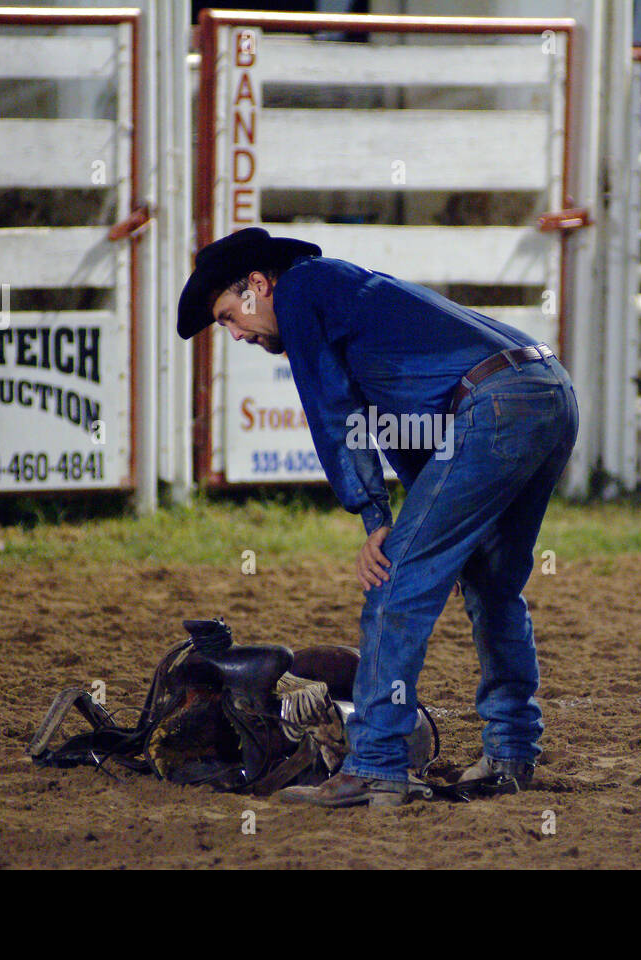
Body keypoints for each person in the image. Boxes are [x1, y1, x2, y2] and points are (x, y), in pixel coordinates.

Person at [177, 227, 579, 808]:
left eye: (227, 317)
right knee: (493, 586)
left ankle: (379, 765)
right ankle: (512, 749)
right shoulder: (348, 292)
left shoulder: (302, 292)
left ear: (259, 285)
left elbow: (334, 413)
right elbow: (411, 421)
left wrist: (375, 520)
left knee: (393, 581)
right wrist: (401, 514)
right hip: (545, 391)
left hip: (494, 405)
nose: (235, 333)